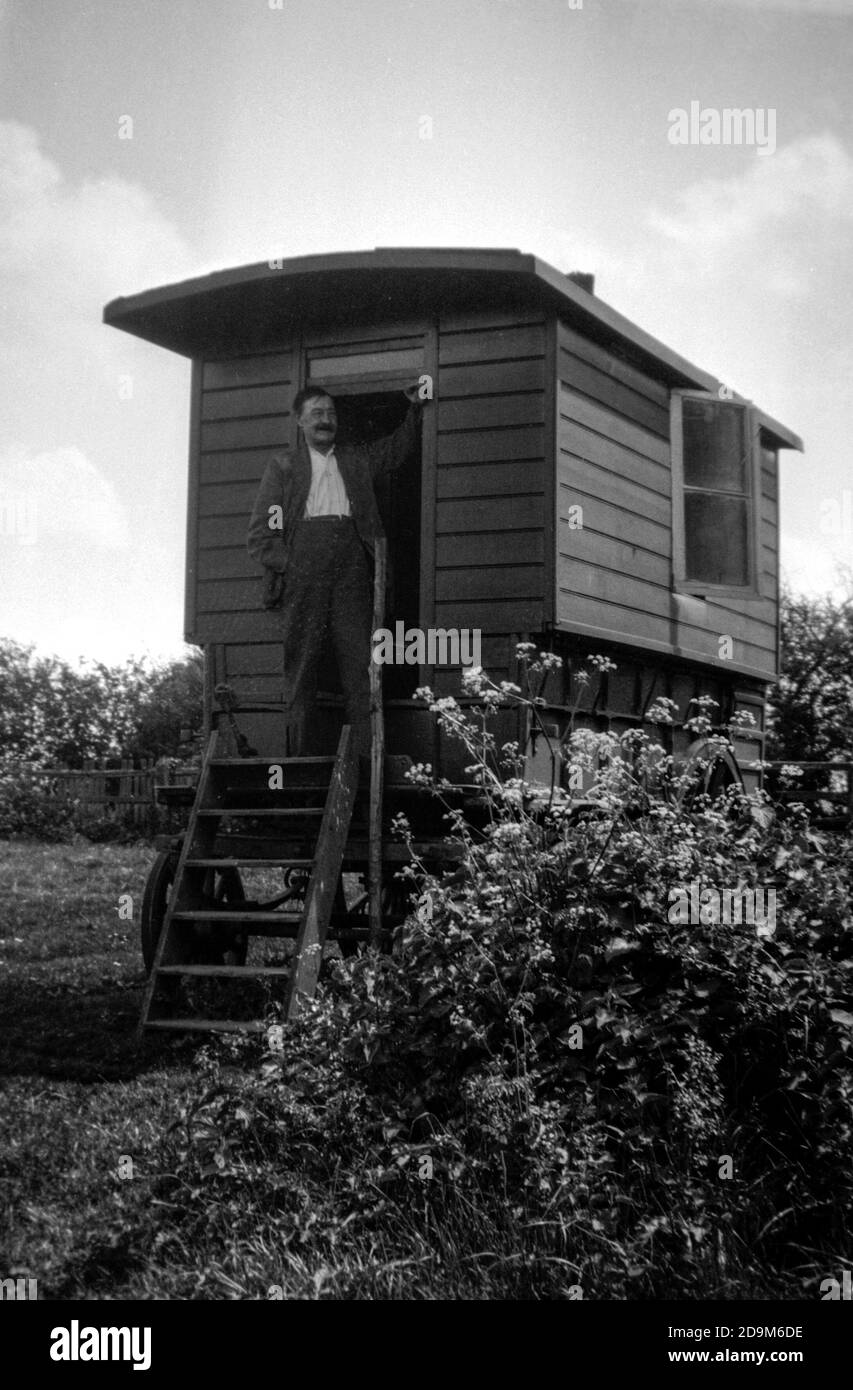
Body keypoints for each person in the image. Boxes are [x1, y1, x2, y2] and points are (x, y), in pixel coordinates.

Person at [246, 382, 425, 756]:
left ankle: (363, 759)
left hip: (351, 567)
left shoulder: (355, 459)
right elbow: (266, 530)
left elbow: (396, 451)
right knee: (302, 663)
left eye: (330, 413)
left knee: (360, 663)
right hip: (303, 567)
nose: (325, 420)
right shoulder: (283, 466)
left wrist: (415, 410)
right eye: (316, 414)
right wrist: (291, 565)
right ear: (299, 421)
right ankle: (299, 761)